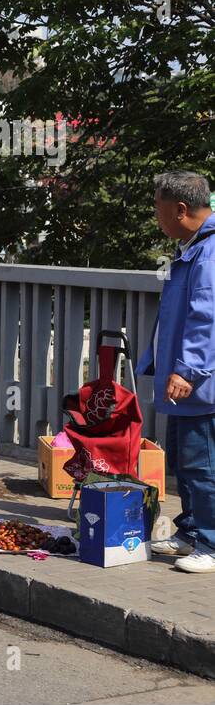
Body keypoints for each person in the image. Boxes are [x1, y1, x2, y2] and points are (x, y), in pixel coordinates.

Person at [140, 170, 215, 574]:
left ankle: (212, 541)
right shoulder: (194, 247)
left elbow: (207, 318)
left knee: (203, 465)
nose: (156, 215)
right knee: (186, 464)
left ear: (181, 209)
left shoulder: (210, 252)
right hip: (187, 386)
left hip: (201, 386)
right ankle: (191, 530)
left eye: (158, 207)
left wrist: (187, 371)